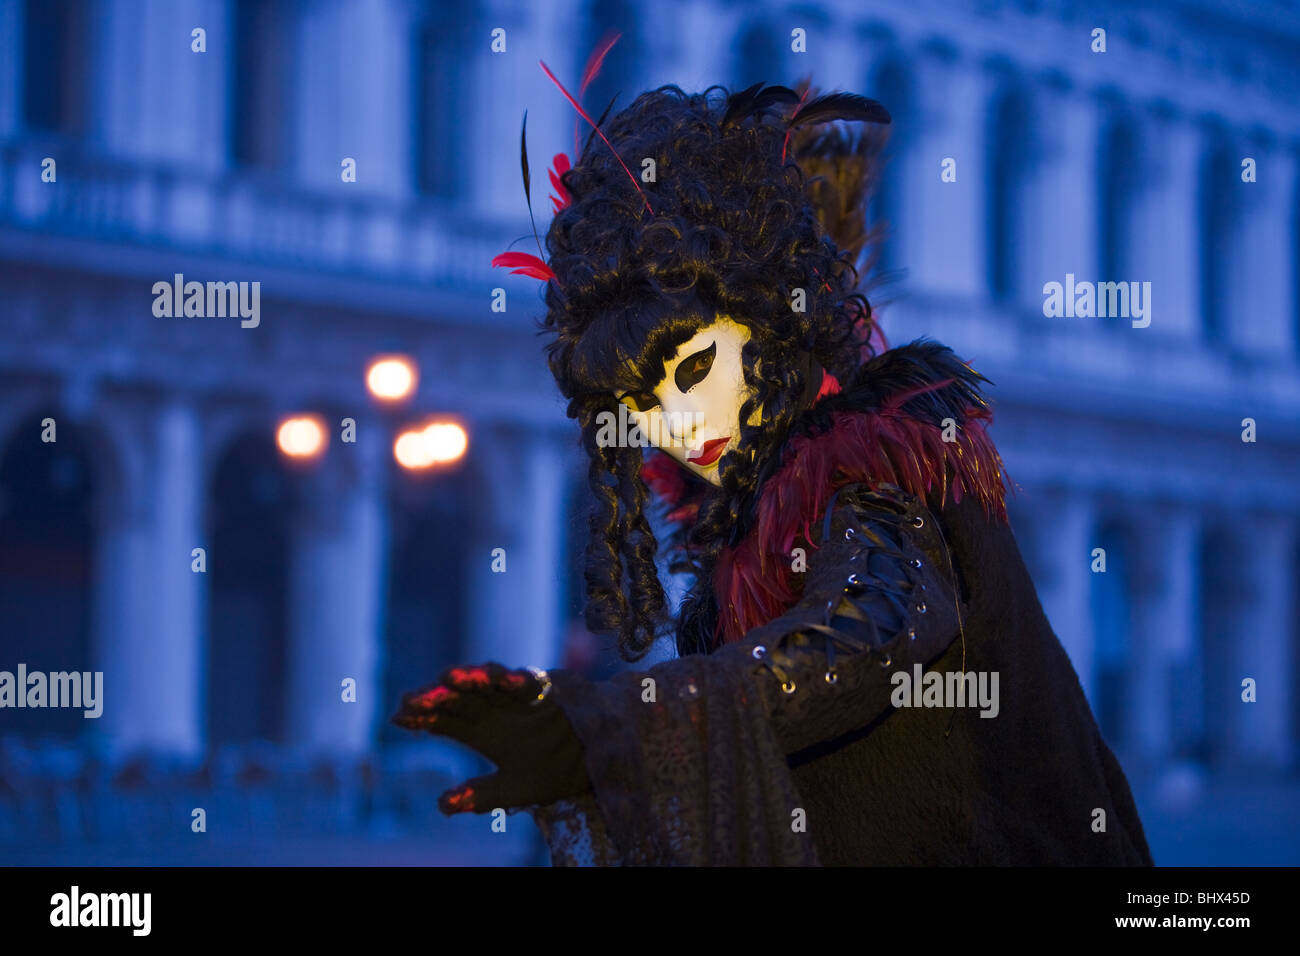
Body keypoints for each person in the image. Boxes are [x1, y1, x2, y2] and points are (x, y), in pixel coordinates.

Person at [392, 52, 1154, 866]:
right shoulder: (752, 524)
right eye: (643, 405)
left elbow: (870, 626)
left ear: (763, 325)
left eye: (692, 371)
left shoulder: (871, 465)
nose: (677, 428)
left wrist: (626, 728)